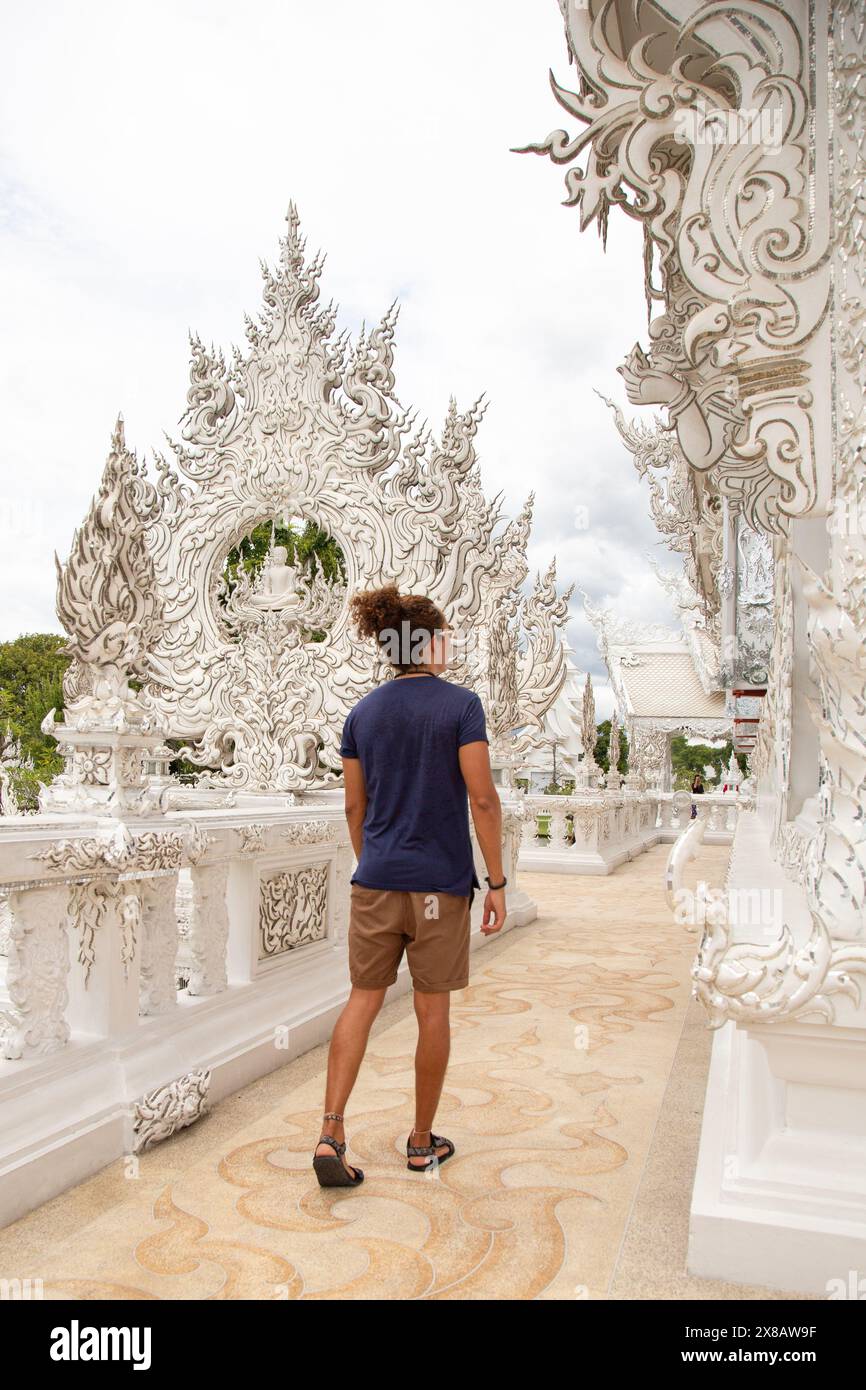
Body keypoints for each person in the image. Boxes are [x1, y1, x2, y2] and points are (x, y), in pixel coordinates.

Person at [312, 585, 507, 1187]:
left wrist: (376, 864)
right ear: (426, 641)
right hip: (439, 888)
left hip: (374, 882)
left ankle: (330, 1132)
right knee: (432, 1010)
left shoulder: (362, 714)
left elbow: (353, 807)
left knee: (362, 999)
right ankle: (421, 1143)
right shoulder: (461, 707)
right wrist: (495, 881)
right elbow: (481, 796)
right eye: (444, 636)